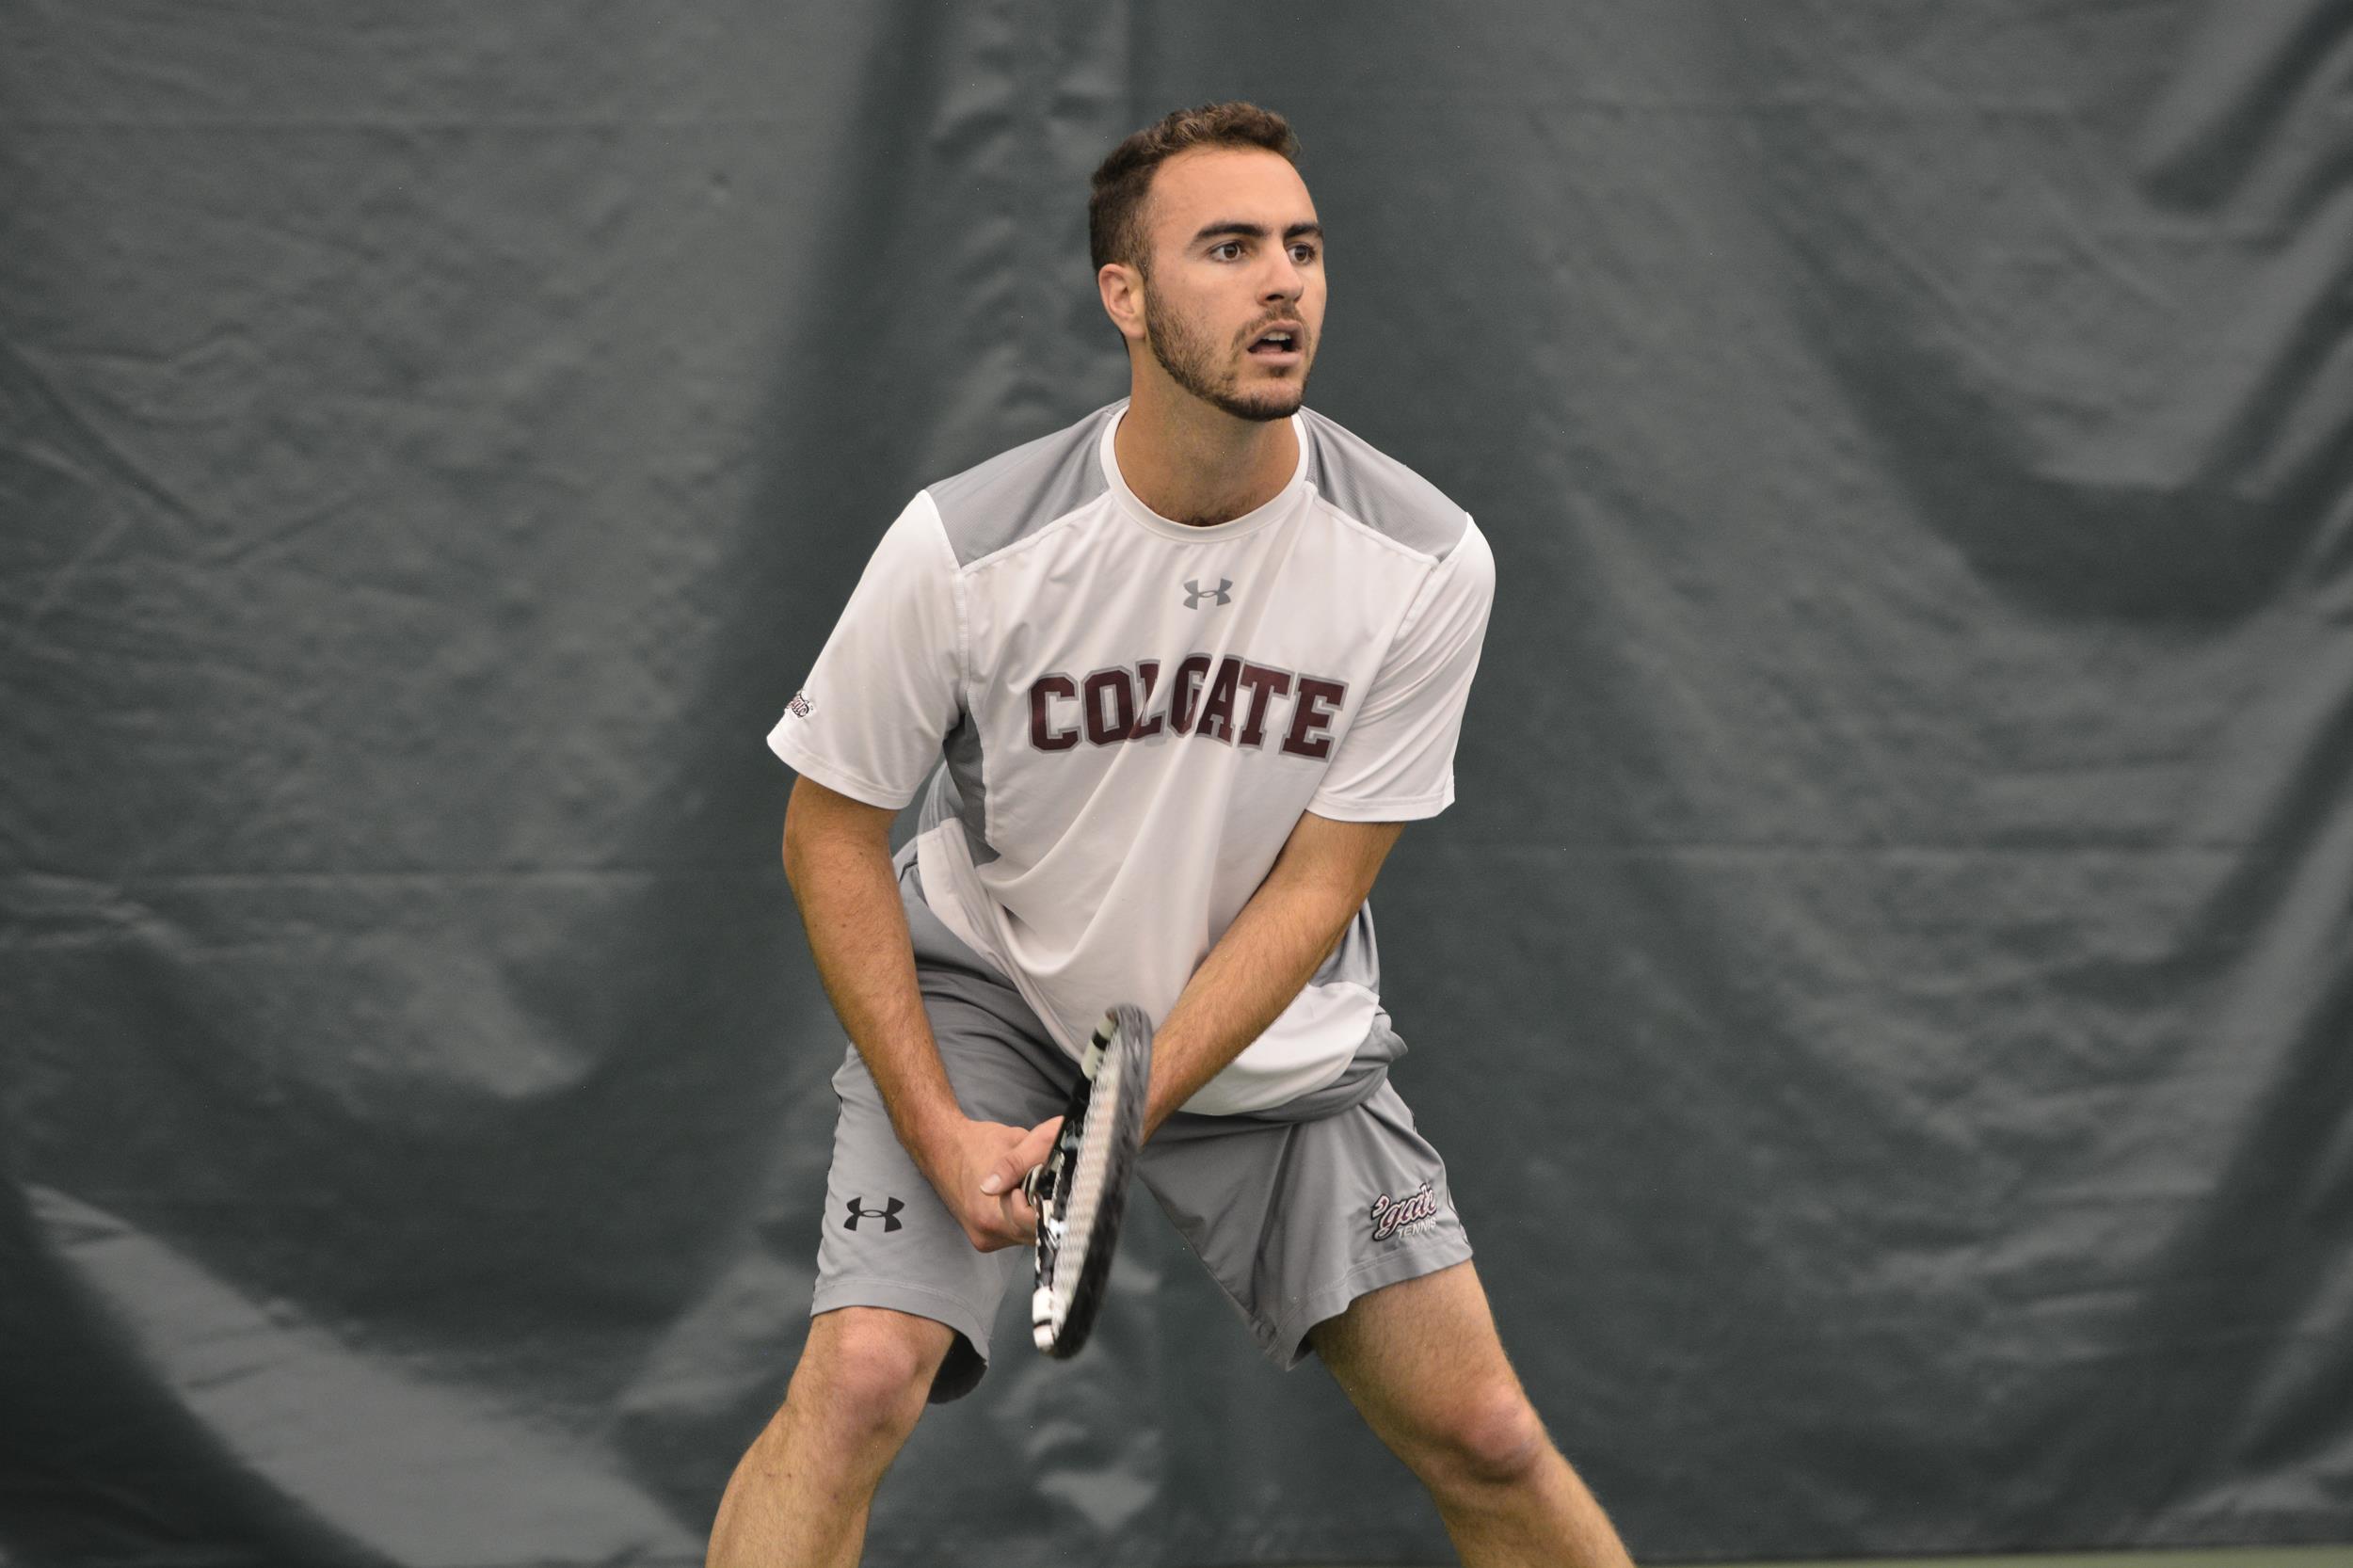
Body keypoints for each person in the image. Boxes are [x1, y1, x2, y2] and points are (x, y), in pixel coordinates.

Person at [711, 102, 1636, 1568]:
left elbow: (1321, 887)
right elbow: (827, 832)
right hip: (994, 1000)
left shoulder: (1424, 561)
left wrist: (1120, 1116)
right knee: (859, 1381)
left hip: (1263, 1029)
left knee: (1490, 1438)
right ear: (1124, 296)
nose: (1283, 282)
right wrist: (944, 1128)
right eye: (1229, 247)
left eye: (1303, 246)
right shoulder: (963, 548)